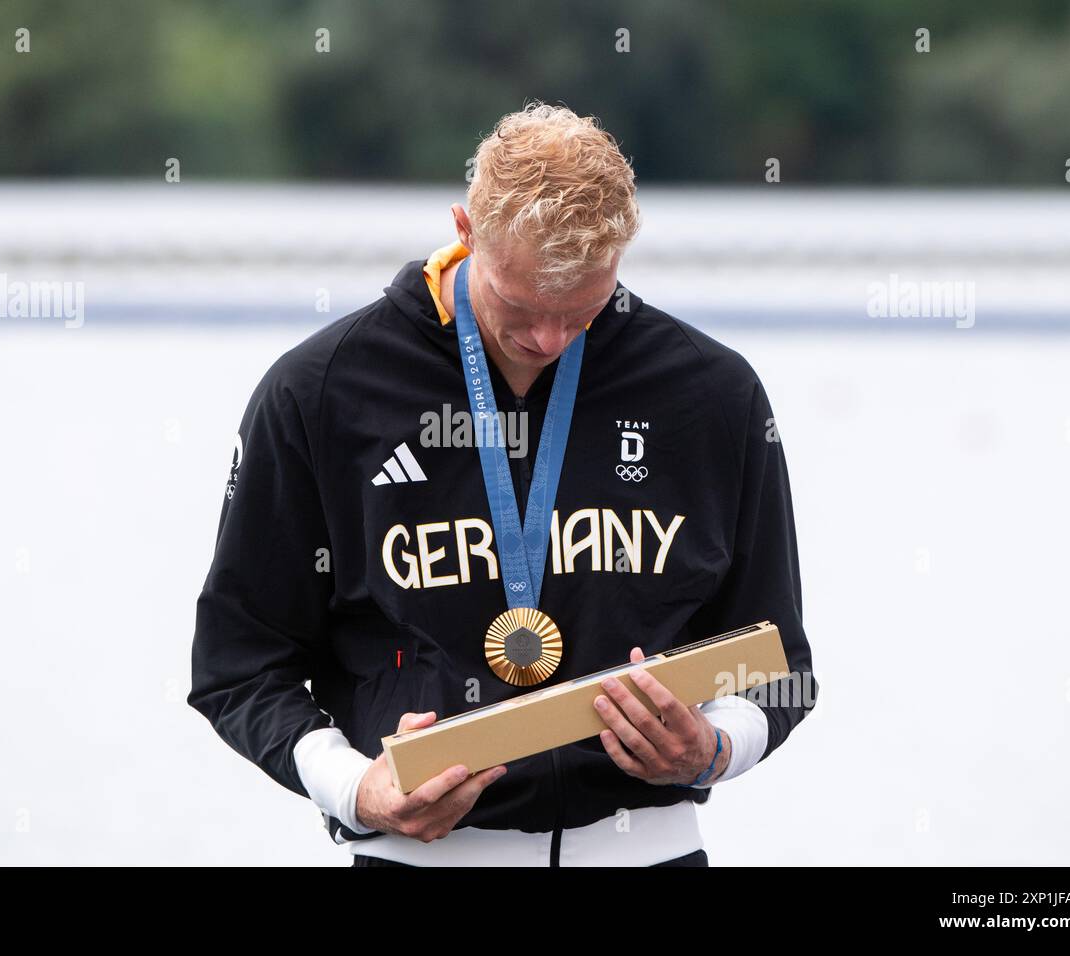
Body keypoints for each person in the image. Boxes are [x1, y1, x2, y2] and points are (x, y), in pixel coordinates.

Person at [189, 102, 818, 866]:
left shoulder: (711, 393)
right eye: (520, 306)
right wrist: (356, 790)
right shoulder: (321, 391)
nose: (548, 339)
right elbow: (239, 663)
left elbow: (776, 657)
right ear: (466, 230)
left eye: (582, 309)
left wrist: (714, 750)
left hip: (648, 851)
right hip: (417, 856)